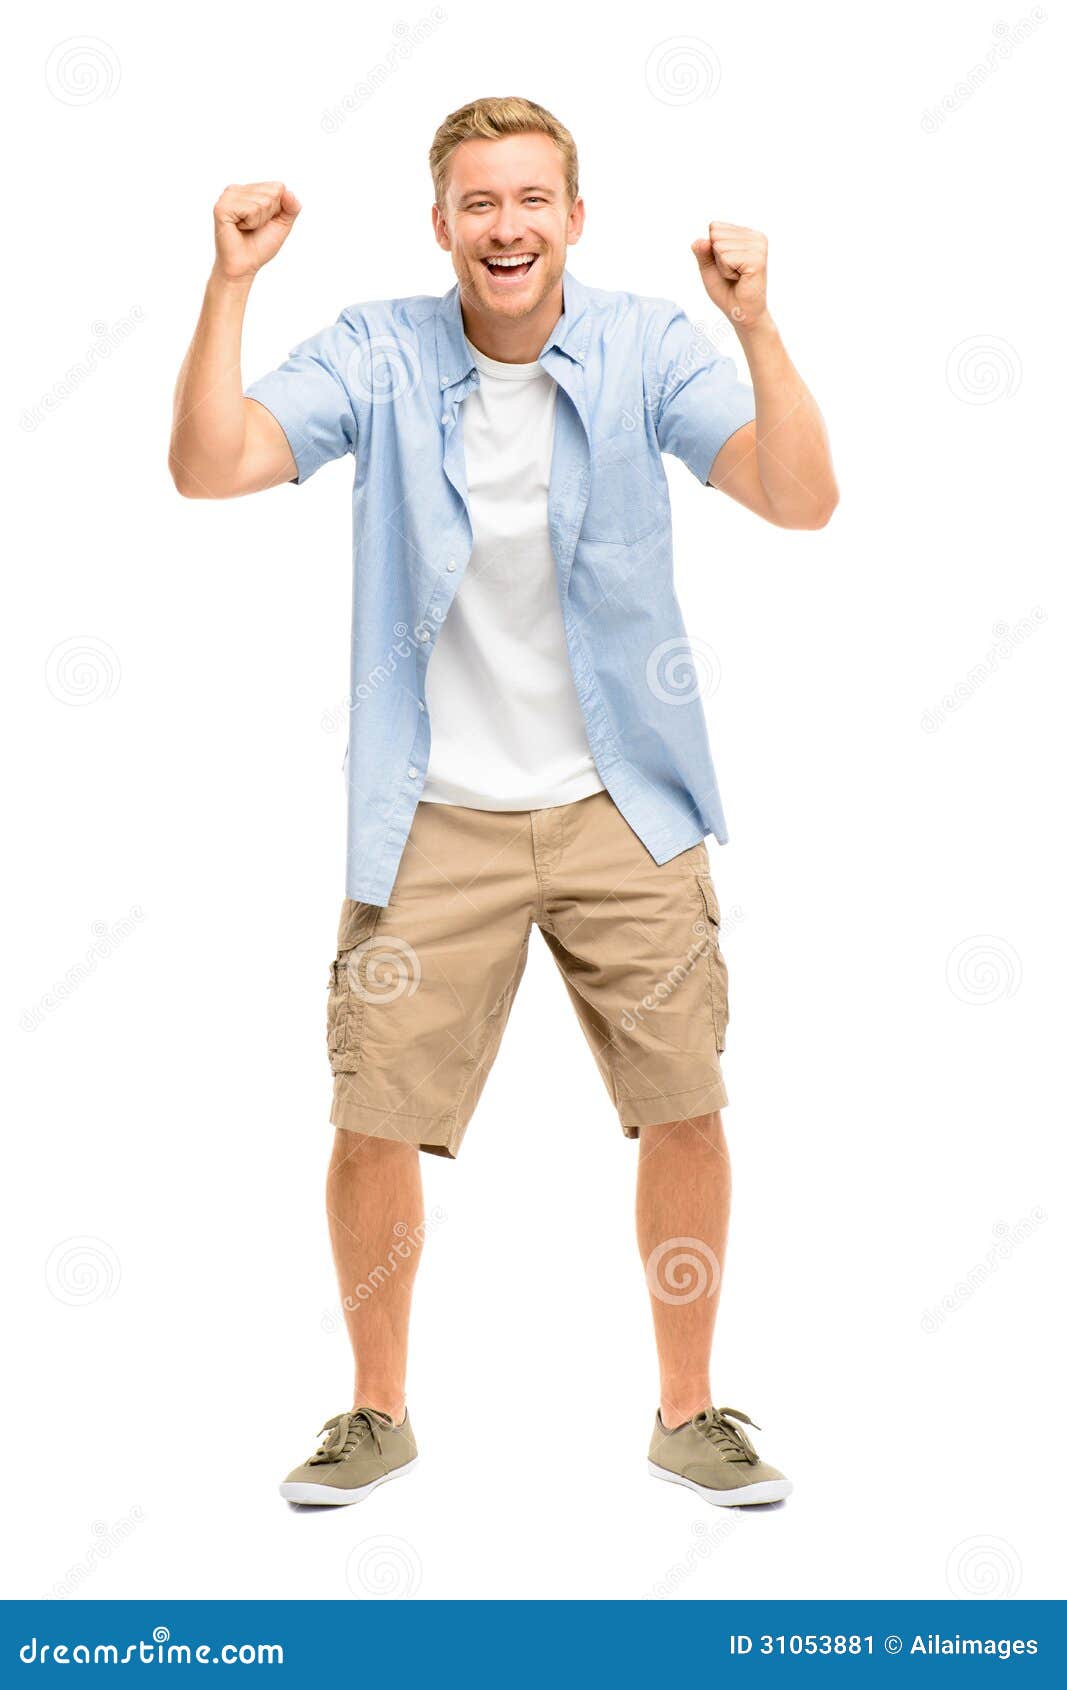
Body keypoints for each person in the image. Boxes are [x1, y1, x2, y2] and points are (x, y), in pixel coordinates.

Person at [169, 95, 837, 1510]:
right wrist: (230, 286)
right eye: (480, 203)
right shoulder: (380, 352)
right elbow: (211, 462)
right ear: (443, 227)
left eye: (532, 198)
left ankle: (689, 1409)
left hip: (625, 804)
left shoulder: (649, 342)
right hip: (433, 815)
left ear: (573, 219)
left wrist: (759, 329)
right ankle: (374, 1409)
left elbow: (799, 498)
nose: (507, 226)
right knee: (369, 1112)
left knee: (686, 1103)